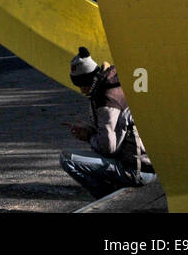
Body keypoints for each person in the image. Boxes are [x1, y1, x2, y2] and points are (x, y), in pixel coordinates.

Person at [59, 46, 155, 198]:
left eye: (82, 86)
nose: (82, 91)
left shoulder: (106, 99)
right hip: (151, 165)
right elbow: (118, 129)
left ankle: (108, 199)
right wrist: (90, 129)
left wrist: (88, 136)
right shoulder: (115, 83)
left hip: (138, 171)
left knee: (67, 158)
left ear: (87, 82)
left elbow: (108, 147)